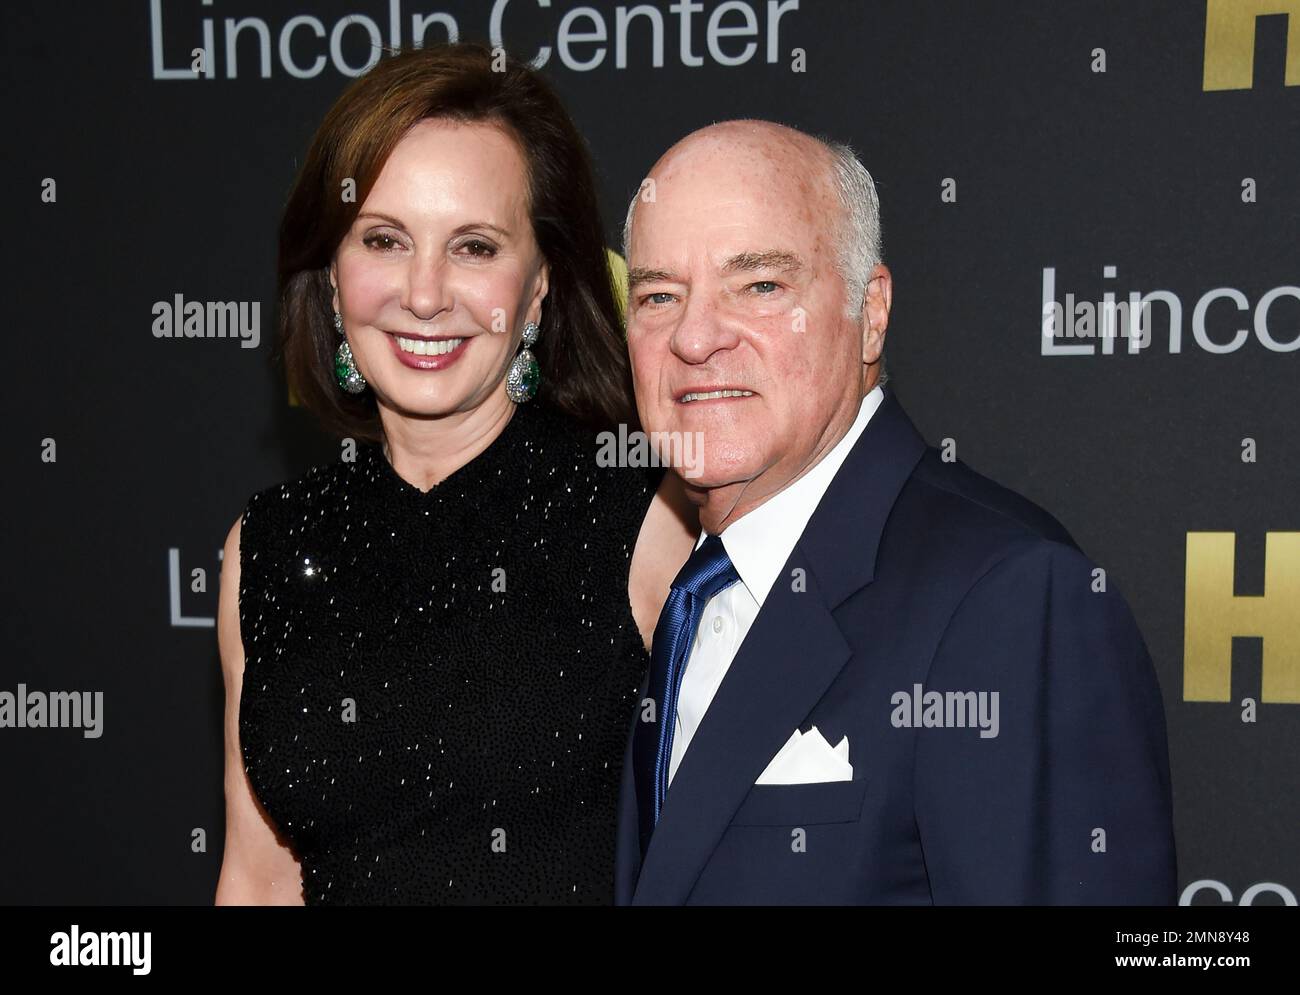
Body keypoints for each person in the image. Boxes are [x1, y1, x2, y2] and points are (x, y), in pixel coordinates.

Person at [615, 119, 1177, 904]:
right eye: (659, 295)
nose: (696, 337)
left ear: (870, 311)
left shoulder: (1011, 600)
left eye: (761, 285)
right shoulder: (684, 592)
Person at [214, 43, 695, 905]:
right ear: (330, 276)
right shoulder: (271, 545)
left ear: (540, 288)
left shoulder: (644, 513)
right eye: (385, 239)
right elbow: (258, 878)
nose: (425, 293)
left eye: (474, 246)